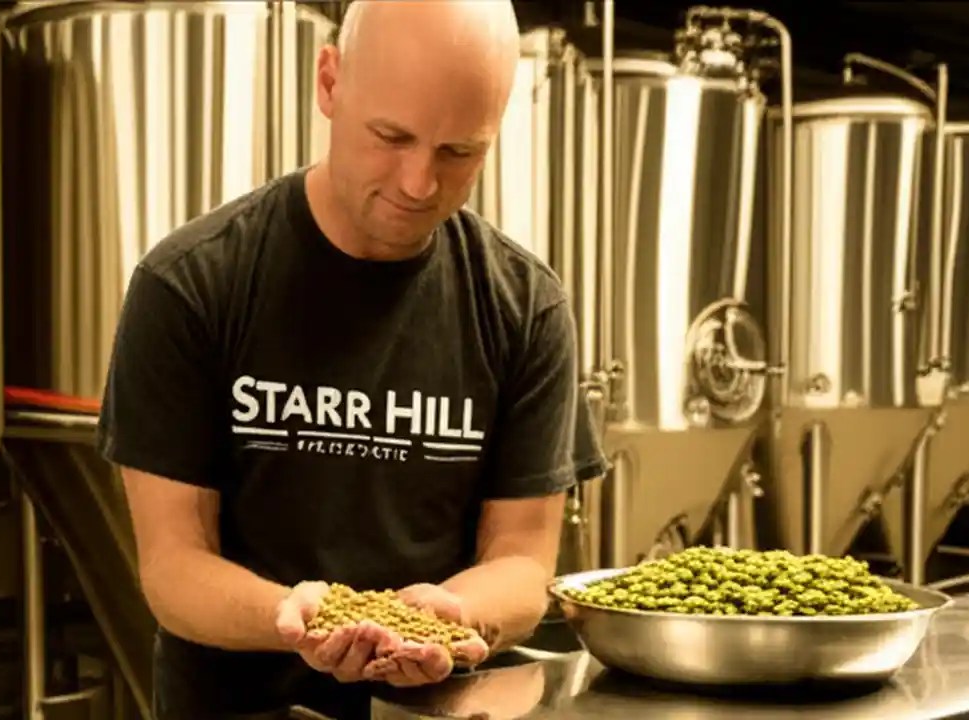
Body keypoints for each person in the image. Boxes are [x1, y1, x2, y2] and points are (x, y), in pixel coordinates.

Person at [97, 0, 608, 717]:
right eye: (391, 137)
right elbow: (173, 568)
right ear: (330, 83)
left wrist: (457, 613)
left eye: (460, 152)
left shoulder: (525, 306)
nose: (419, 183)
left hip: (438, 709)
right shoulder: (191, 284)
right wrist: (294, 616)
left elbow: (523, 559)